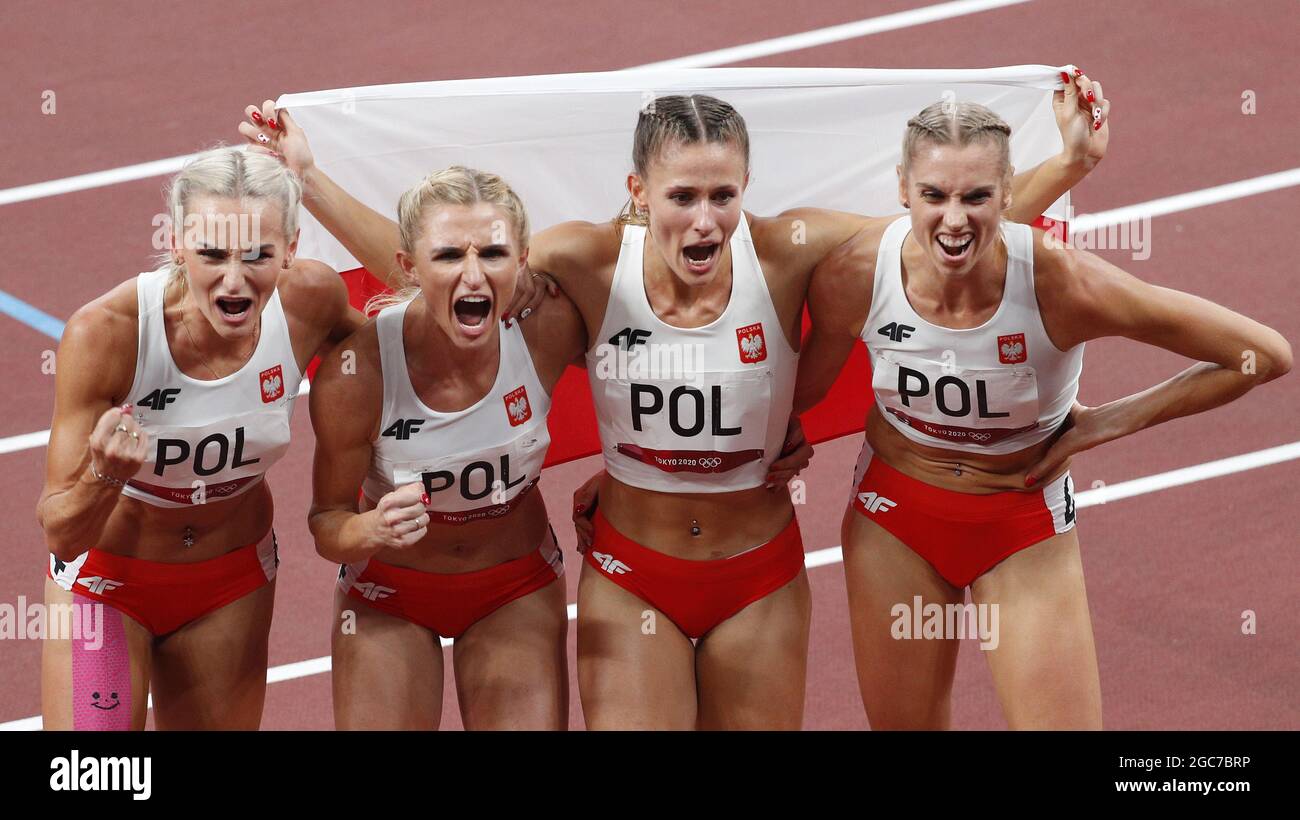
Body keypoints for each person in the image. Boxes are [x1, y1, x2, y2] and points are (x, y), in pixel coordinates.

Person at [240, 70, 1101, 728]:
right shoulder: (584, 261)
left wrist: (1067, 163)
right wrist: (310, 182)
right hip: (629, 574)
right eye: (682, 196)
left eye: (723, 196)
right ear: (638, 191)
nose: (704, 221)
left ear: (746, 191)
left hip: (758, 575)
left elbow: (945, 234)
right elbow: (443, 272)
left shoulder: (790, 250)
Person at [793, 100, 1292, 729]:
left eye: (976, 195)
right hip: (896, 521)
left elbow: (1262, 354)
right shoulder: (858, 272)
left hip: (1021, 526)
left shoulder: (1063, 284)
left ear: (1008, 193)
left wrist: (1110, 422)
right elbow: (800, 392)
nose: (953, 218)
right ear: (902, 189)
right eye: (933, 194)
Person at [37, 146, 362, 730]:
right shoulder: (108, 333)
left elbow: (412, 341)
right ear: (177, 244)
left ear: (291, 248)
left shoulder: (312, 301)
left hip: (230, 583)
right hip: (107, 581)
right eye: (211, 253)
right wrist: (107, 473)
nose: (233, 280)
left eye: (258, 255)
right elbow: (61, 531)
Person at [306, 166, 587, 729]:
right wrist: (371, 529)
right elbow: (326, 523)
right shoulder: (358, 374)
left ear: (524, 259)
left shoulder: (550, 327)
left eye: (493, 254)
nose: (474, 276)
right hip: (388, 596)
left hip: (516, 587)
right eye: (449, 257)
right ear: (408, 266)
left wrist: (629, 475)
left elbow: (654, 358)